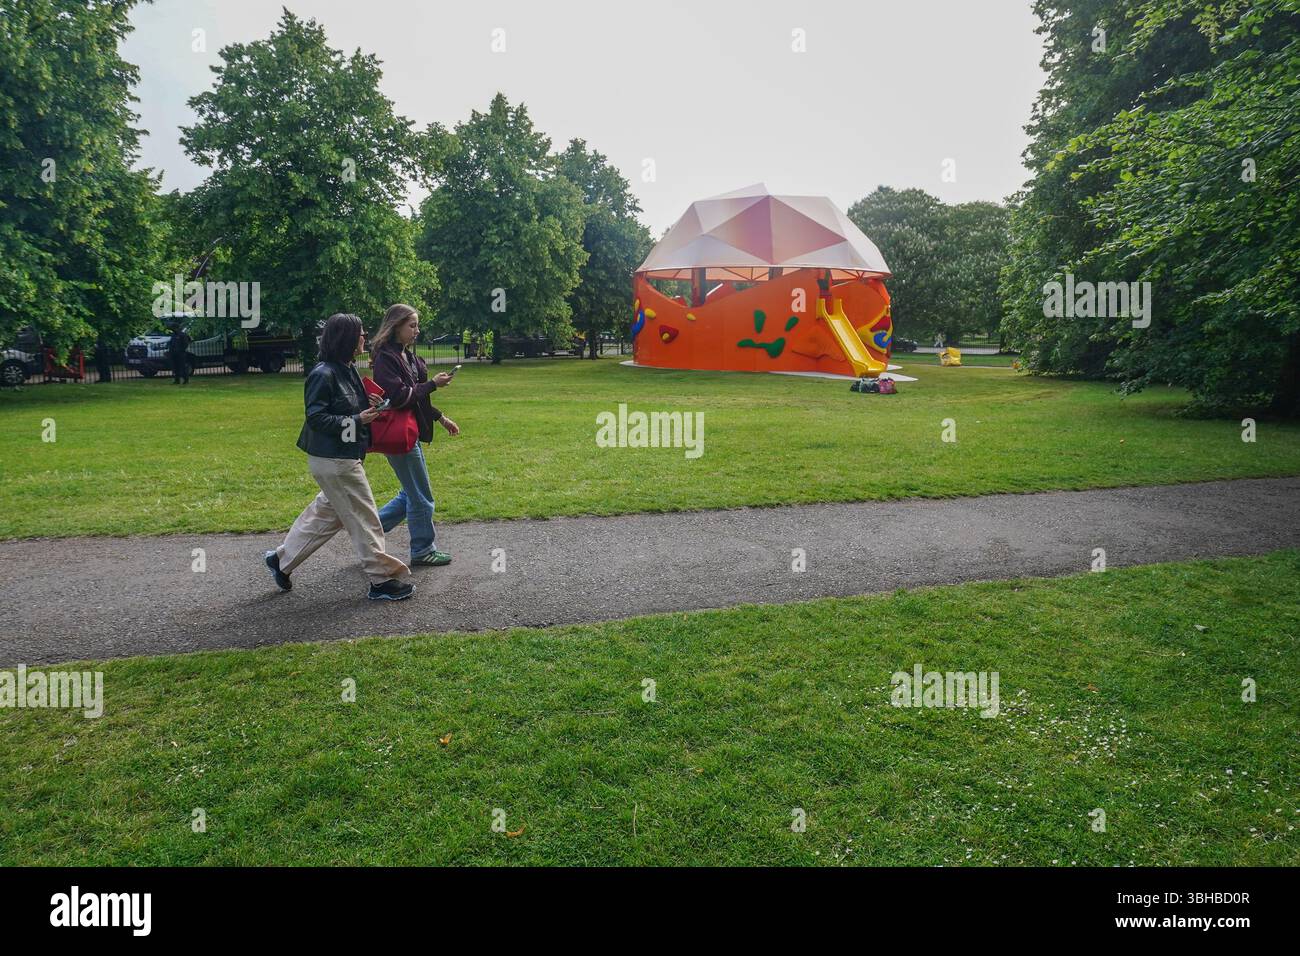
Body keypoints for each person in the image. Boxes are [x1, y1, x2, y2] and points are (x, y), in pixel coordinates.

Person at [264, 313, 414, 601]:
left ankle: (280, 561)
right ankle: (381, 580)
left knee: (322, 517)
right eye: (360, 333)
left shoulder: (345, 369)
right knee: (365, 518)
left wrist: (367, 405)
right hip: (335, 460)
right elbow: (317, 417)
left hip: (339, 457)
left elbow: (343, 409)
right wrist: (357, 419)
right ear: (346, 338)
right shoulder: (323, 373)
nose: (364, 338)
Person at [369, 304, 460, 566]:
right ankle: (422, 550)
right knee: (421, 496)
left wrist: (441, 418)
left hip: (409, 433)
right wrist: (432, 384)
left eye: (417, 325)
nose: (417, 331)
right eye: (412, 325)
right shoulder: (387, 358)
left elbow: (418, 399)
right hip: (398, 436)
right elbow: (400, 398)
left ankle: (367, 535)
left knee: (409, 494)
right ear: (396, 326)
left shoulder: (406, 356)